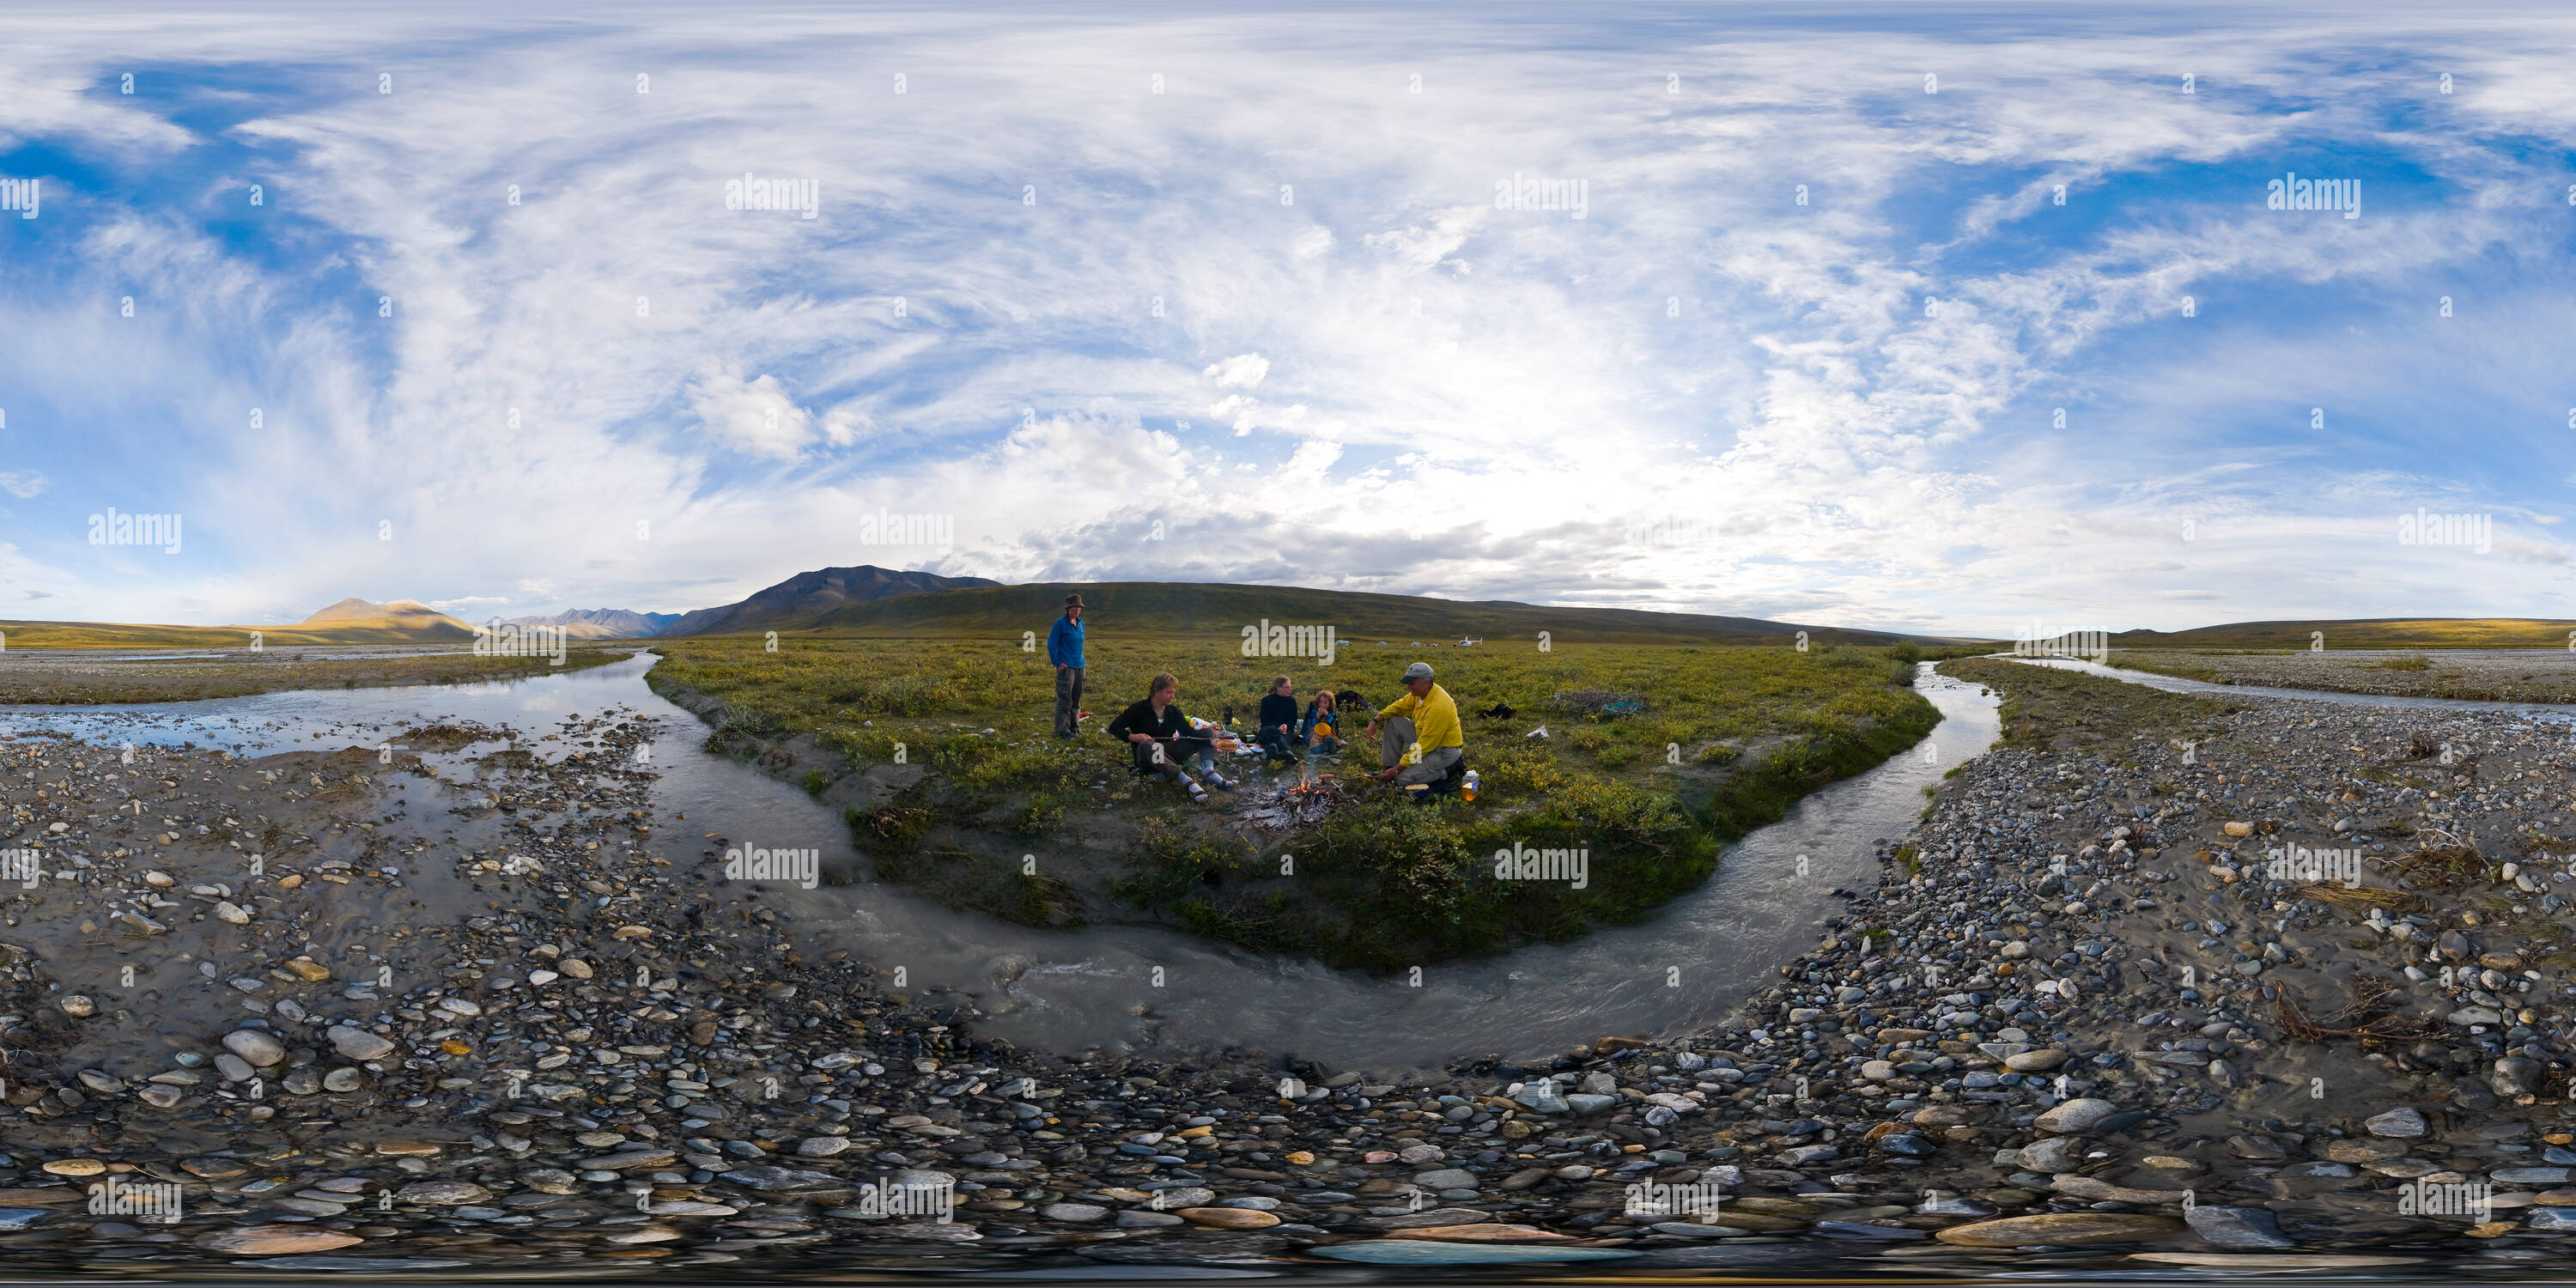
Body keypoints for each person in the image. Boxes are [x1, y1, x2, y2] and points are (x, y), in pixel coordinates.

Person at [1106, 671, 1235, 801]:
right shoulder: (1138, 709)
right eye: (1169, 692)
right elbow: (1114, 727)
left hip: (1170, 754)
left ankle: (1208, 772)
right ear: (1157, 691)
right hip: (1148, 757)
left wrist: (1211, 741)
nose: (1172, 696)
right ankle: (1188, 782)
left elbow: (1189, 733)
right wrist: (1132, 737)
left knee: (1207, 733)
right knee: (1147, 745)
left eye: (1173, 693)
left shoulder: (1173, 711)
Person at [1363, 661, 1461, 787]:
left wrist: (1397, 771)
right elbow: (1400, 706)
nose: (1408, 687)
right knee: (1393, 721)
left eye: (1412, 683)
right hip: (1424, 738)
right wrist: (1376, 719)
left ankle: (1446, 771)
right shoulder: (1420, 693)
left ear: (1426, 682)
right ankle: (1388, 766)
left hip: (1442, 751)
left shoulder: (1439, 707)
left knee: (1399, 779)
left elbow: (1423, 747)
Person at [1048, 594, 1085, 738]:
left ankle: (1075, 726)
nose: (1077, 609)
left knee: (1076, 697)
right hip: (1066, 667)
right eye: (1074, 607)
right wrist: (1057, 663)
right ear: (1068, 608)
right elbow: (1052, 645)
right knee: (1065, 698)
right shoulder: (1060, 624)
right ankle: (1061, 730)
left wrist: (1082, 661)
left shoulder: (1081, 623)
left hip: (1080, 666)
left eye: (1079, 607)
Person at [1255, 674, 1300, 758]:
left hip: (1286, 730)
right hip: (1270, 728)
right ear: (1278, 688)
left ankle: (1273, 750)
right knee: (1271, 731)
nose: (1289, 689)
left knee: (1280, 740)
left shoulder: (1291, 701)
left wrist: (1286, 726)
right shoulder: (1267, 700)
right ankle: (1287, 751)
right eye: (1286, 687)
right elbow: (1265, 720)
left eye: (1290, 687)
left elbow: (1293, 720)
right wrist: (1277, 727)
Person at [1300, 688, 1342, 756]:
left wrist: (1327, 715)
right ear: (1318, 702)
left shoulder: (1331, 711)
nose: (1323, 705)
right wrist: (1317, 717)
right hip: (1315, 731)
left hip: (1328, 731)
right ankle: (1323, 747)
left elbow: (1332, 723)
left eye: (1325, 703)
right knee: (1314, 741)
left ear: (1330, 704)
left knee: (1332, 738)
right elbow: (1311, 724)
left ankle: (1331, 745)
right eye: (1321, 702)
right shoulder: (1314, 711)